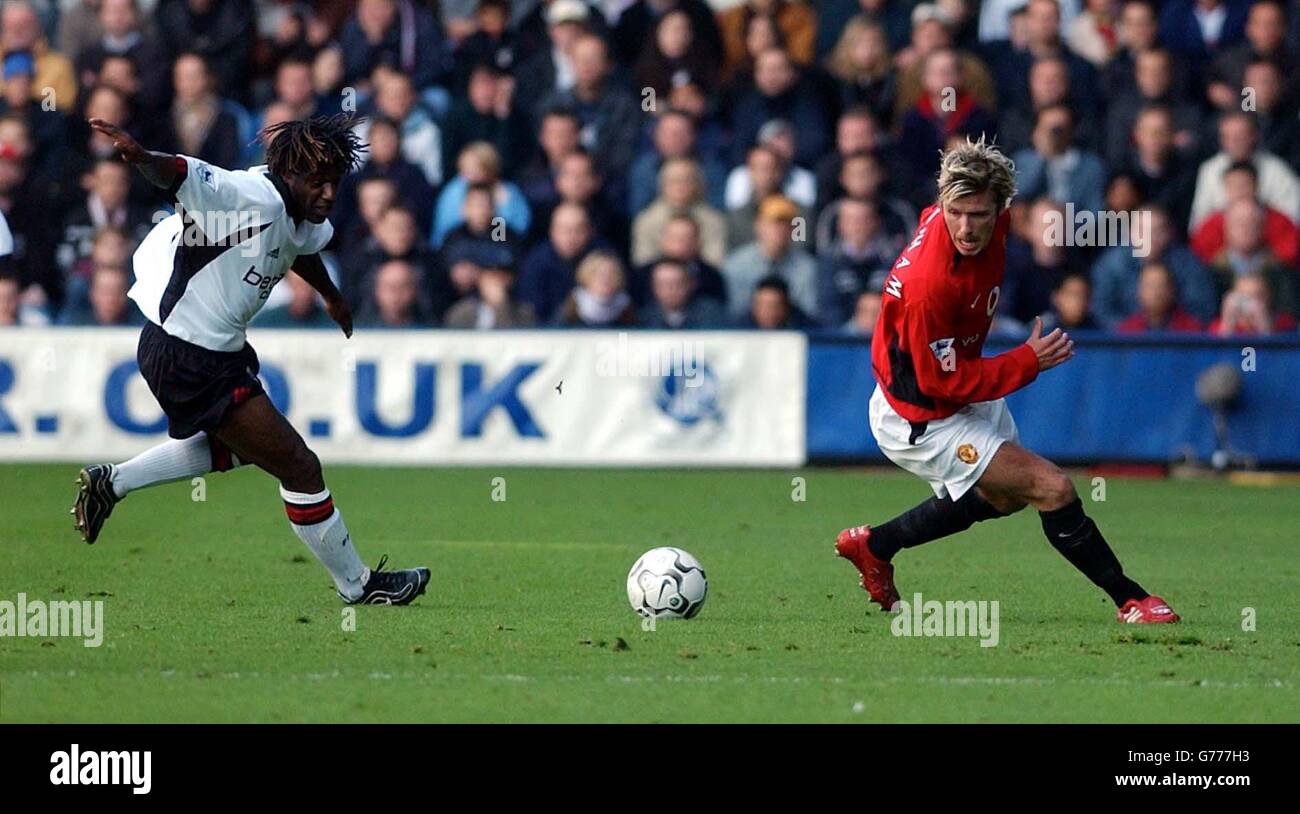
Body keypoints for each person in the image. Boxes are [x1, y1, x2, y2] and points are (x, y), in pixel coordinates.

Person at [71, 114, 430, 606]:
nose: (327, 194)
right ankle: (359, 587)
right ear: (288, 174)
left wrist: (330, 296)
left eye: (334, 183)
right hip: (187, 353)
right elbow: (178, 173)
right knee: (300, 467)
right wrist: (140, 157)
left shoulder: (297, 212)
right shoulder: (244, 194)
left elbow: (296, 244)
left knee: (248, 448)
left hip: (212, 349)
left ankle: (112, 483)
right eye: (317, 182)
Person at [834, 137, 1179, 624]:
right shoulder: (929, 286)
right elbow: (942, 383)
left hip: (952, 386)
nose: (966, 227)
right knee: (1052, 487)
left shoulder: (990, 222)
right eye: (955, 212)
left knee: (1003, 497)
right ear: (942, 206)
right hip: (920, 414)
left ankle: (876, 544)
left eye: (978, 213)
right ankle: (1132, 599)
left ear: (1001, 208)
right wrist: (1026, 361)